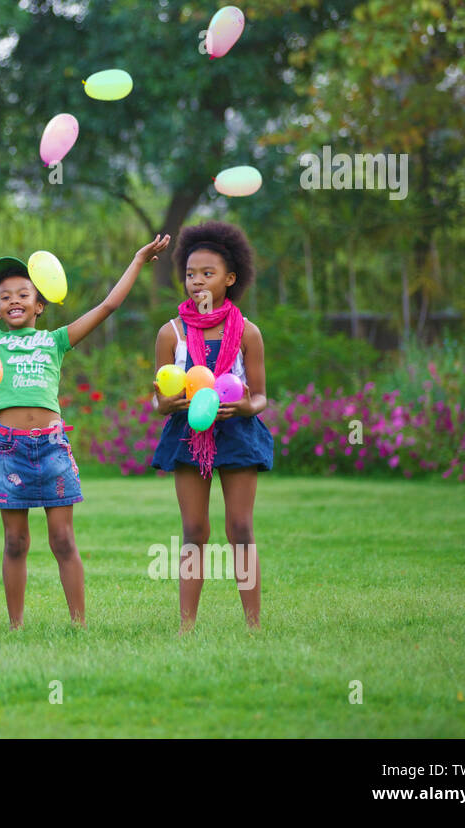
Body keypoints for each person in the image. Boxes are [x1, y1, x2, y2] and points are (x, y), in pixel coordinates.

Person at [0, 220, 169, 628]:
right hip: (11, 449)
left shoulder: (56, 340)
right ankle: (16, 624)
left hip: (53, 447)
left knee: (62, 539)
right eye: (5, 297)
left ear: (40, 305)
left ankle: (78, 623)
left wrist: (137, 260)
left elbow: (108, 306)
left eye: (24, 294)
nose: (14, 301)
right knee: (15, 542)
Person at [150, 221, 273, 632]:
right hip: (188, 434)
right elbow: (158, 395)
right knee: (194, 530)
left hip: (236, 431)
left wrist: (243, 407)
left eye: (208, 273)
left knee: (240, 527)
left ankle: (253, 624)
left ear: (230, 278)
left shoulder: (248, 333)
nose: (197, 281)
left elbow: (260, 396)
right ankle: (187, 626)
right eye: (189, 273)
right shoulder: (171, 333)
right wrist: (164, 404)